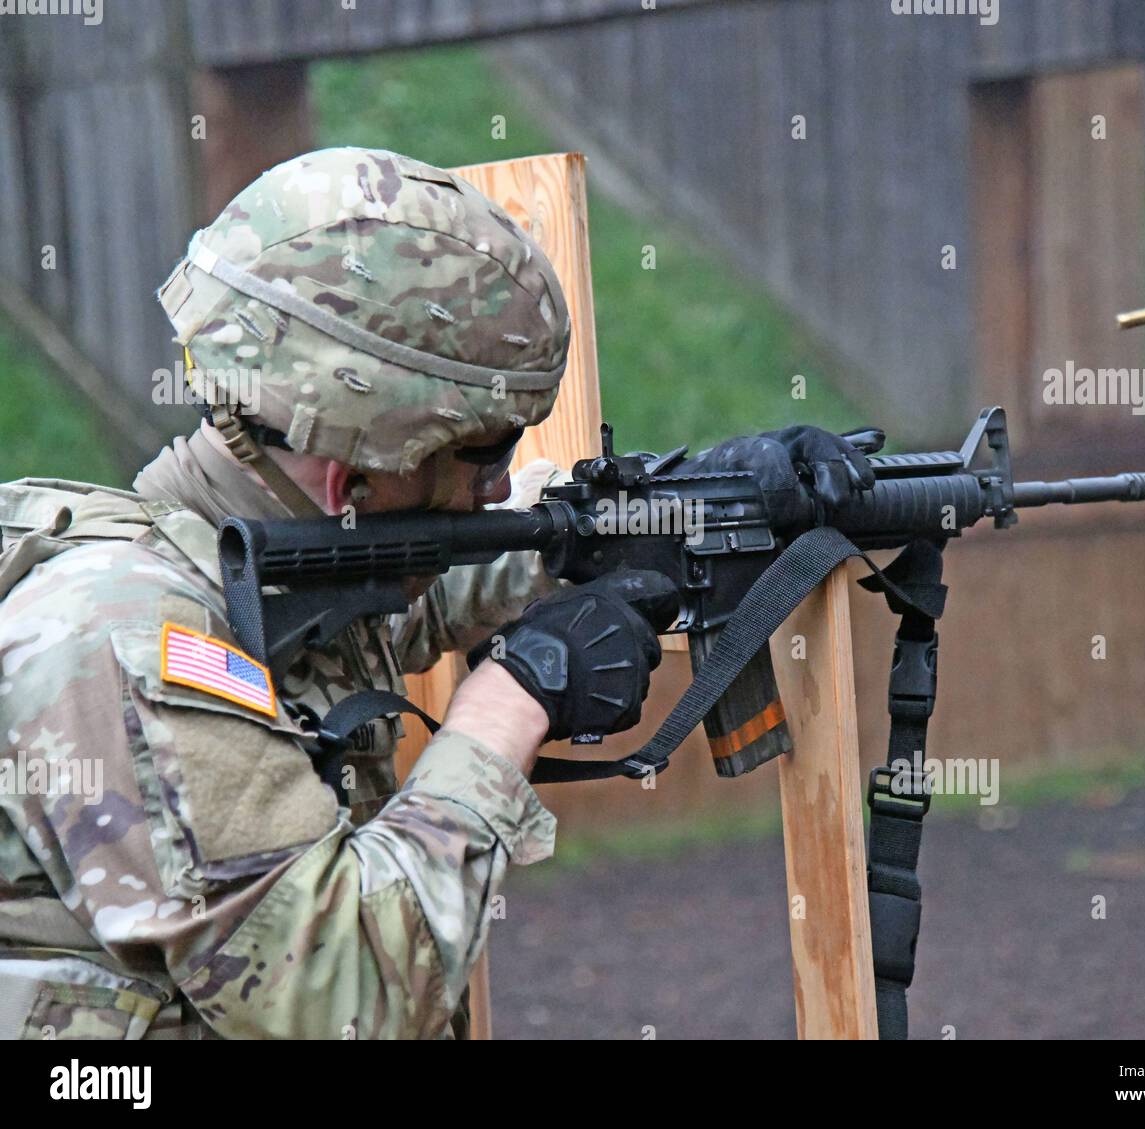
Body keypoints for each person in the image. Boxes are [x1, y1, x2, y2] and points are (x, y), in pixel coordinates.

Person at [0, 147, 872, 1039]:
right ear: (353, 479)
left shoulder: (277, 563)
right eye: (482, 455)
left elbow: (453, 567)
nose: (496, 488)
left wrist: (667, 501)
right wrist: (508, 702)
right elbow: (341, 995)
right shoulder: (123, 642)